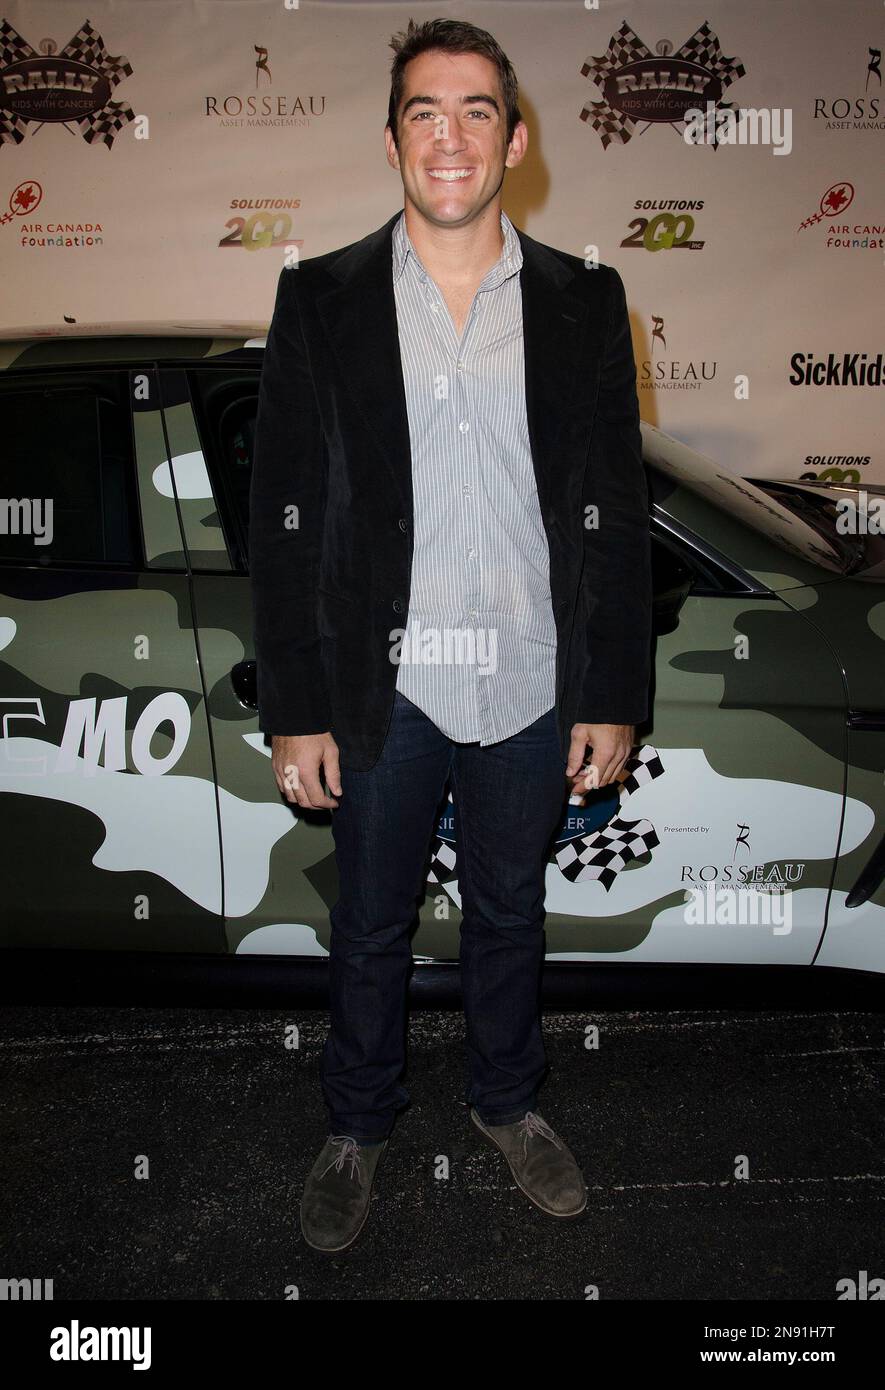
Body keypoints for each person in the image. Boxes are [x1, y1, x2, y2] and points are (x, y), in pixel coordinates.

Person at [249, 16, 652, 1253]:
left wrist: (613, 687)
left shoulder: (586, 301)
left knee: (508, 914)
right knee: (368, 920)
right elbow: (284, 515)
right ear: (392, 140)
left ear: (515, 138)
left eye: (477, 109)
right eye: (426, 110)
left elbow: (614, 516)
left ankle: (507, 1101)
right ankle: (358, 1123)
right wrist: (298, 706)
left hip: (531, 675)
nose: (451, 134)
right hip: (392, 687)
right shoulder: (320, 299)